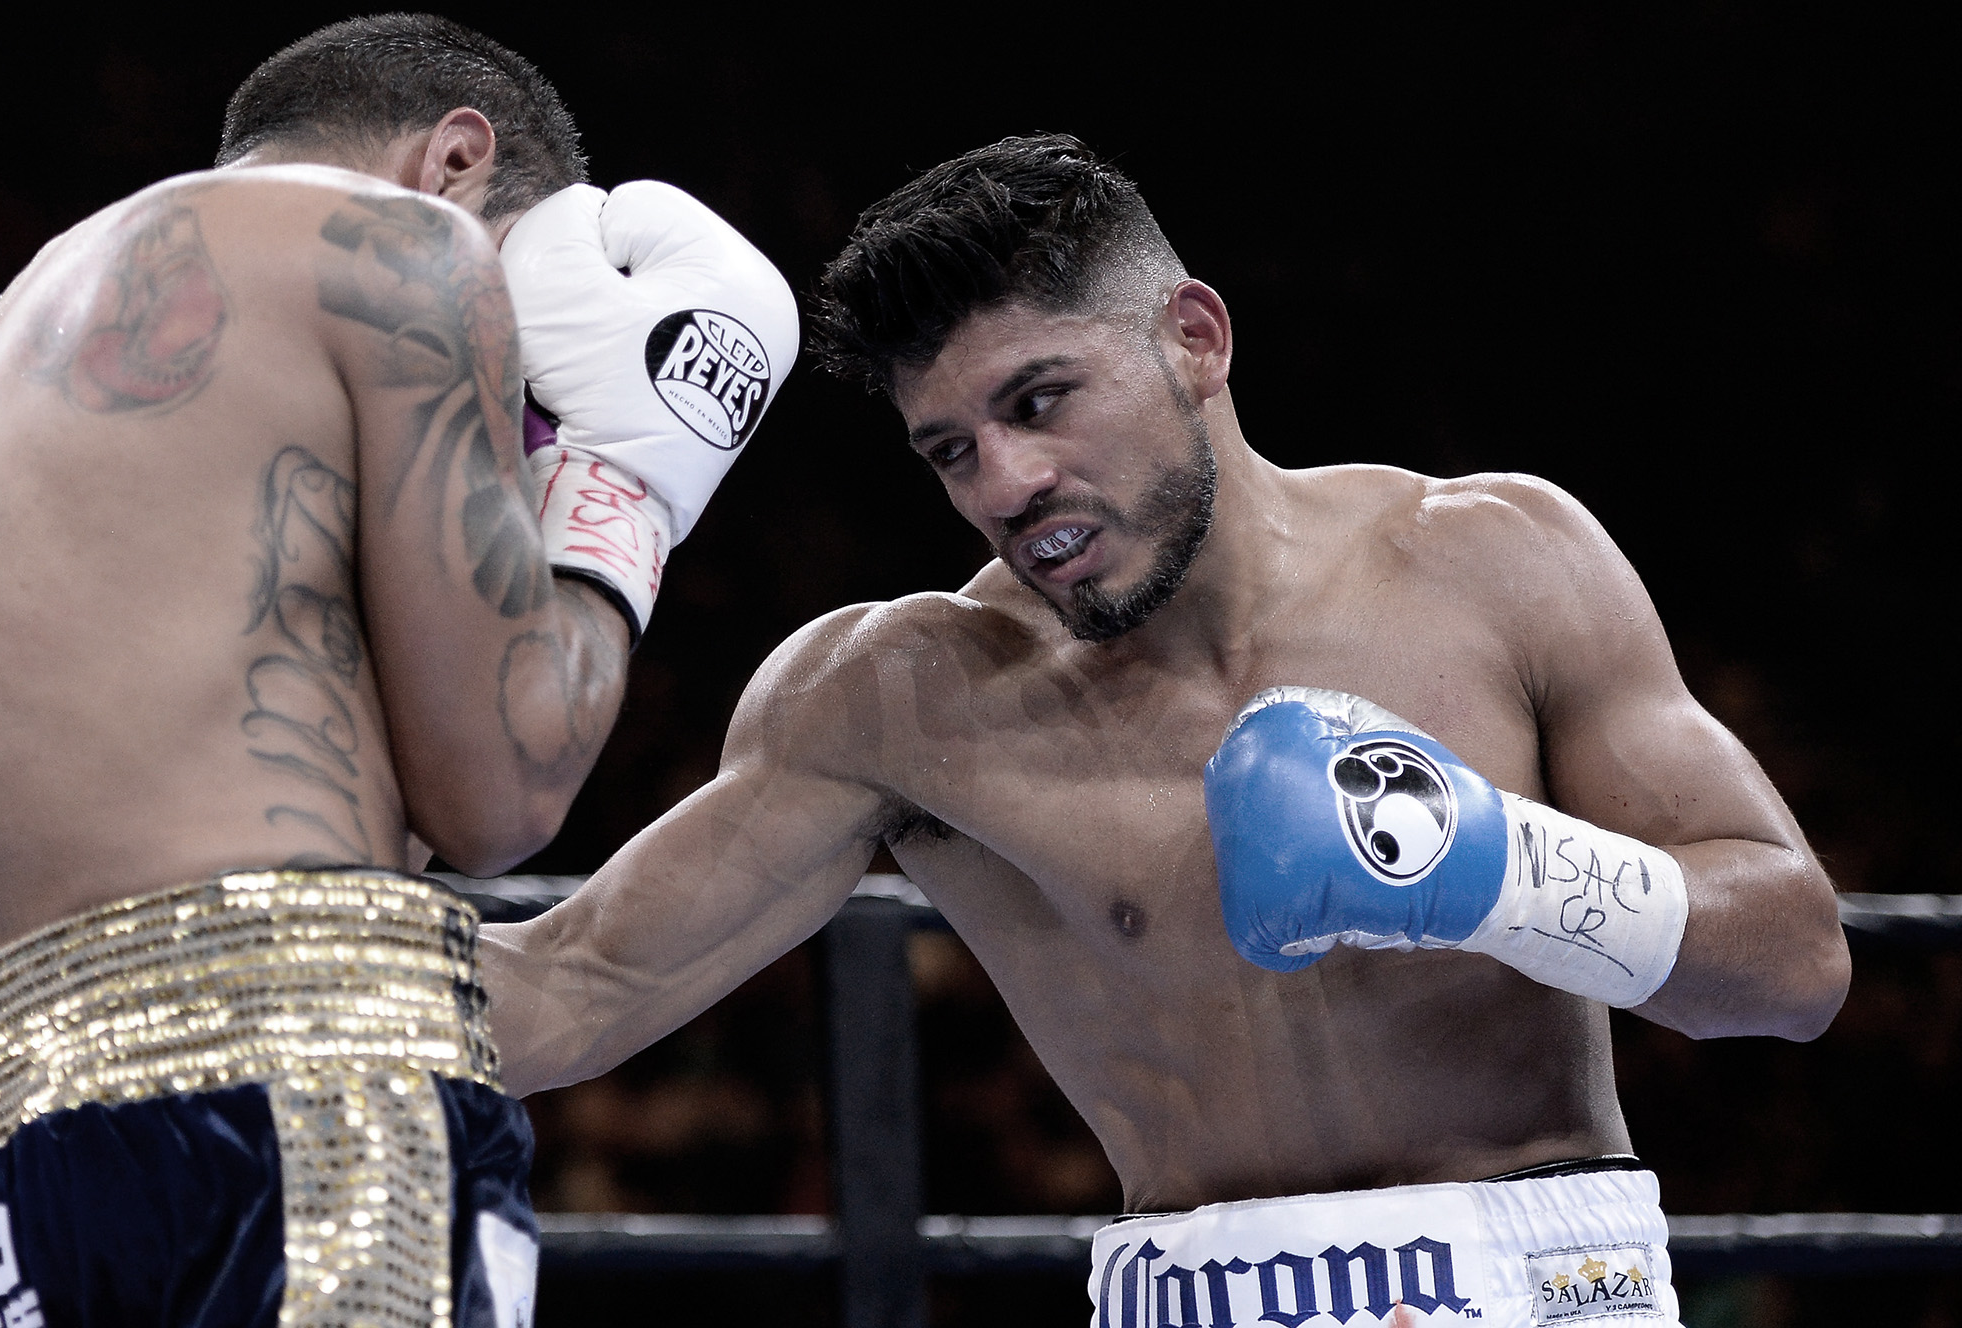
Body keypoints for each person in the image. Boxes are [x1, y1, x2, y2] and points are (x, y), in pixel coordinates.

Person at [478, 134, 1847, 1328]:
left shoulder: (1500, 562)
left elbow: (1796, 967)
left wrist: (1491, 868)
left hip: (1547, 1287)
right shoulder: (900, 697)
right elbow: (569, 989)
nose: (1007, 483)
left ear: (1194, 338)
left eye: (1039, 401)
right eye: (950, 449)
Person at [0, 14, 795, 1328]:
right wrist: (623, 484)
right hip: (309, 1108)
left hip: (21, 1162)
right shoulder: (404, 248)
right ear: (456, 159)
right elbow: (504, 793)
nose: (518, 411)